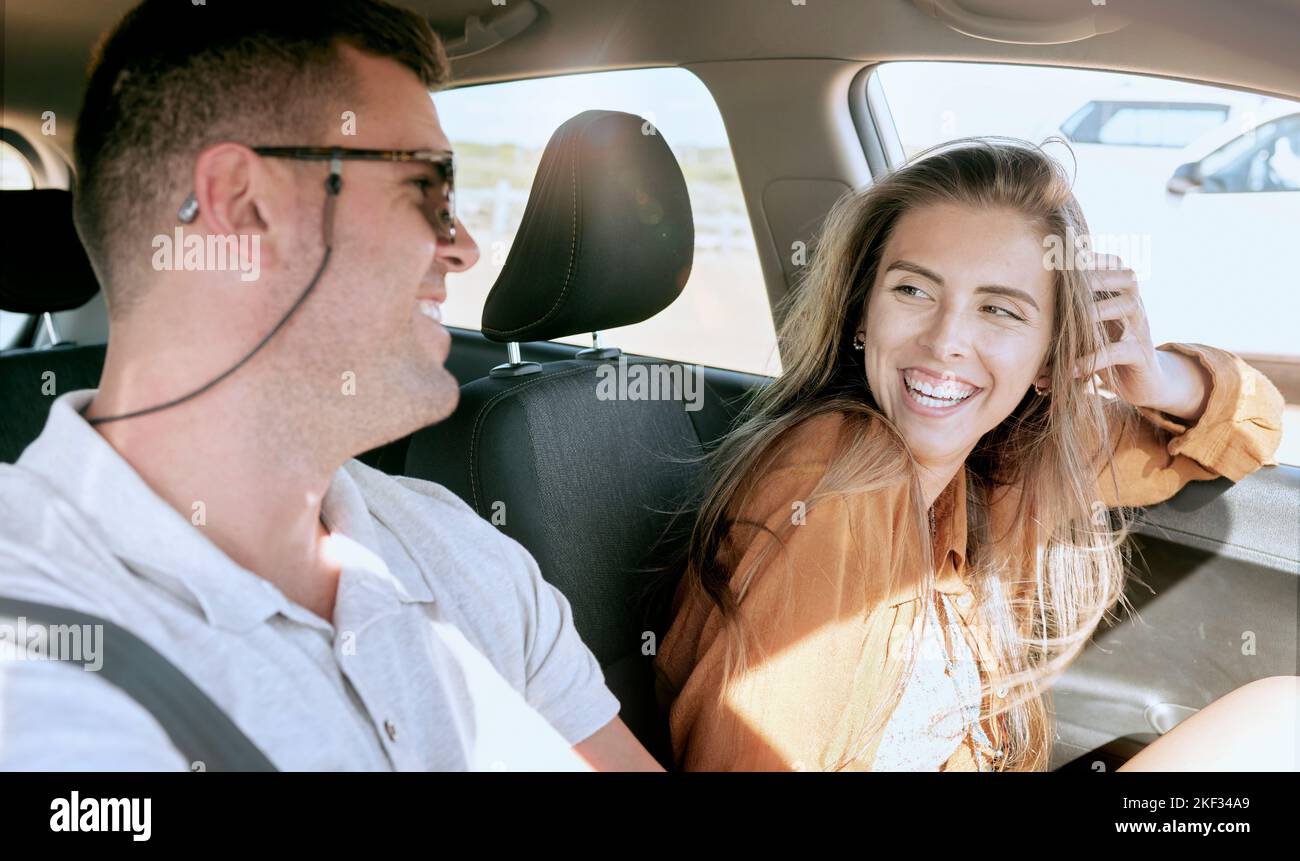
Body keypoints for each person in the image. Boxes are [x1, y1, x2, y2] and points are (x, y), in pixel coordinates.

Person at [0, 0, 661, 771]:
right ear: (243, 207)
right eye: (427, 191)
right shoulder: (37, 663)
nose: (466, 248)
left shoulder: (456, 547)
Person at [654, 137, 1293, 771]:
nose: (945, 341)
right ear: (862, 316)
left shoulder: (1007, 455)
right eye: (913, 291)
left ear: (1049, 360)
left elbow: (1253, 427)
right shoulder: (834, 475)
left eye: (998, 309)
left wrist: (1155, 377)